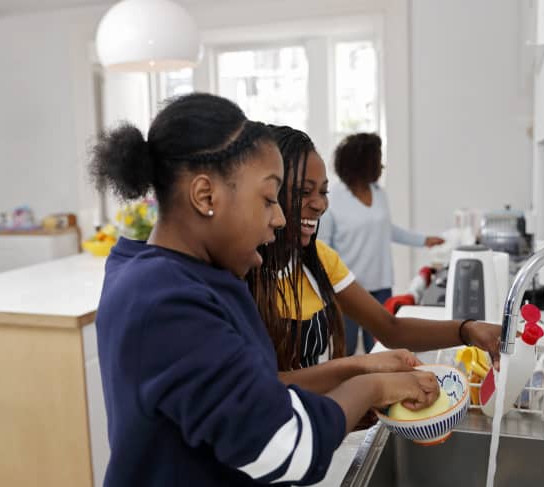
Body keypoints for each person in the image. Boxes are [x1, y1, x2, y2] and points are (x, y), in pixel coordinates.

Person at [89, 93, 440, 487]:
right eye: (269, 199)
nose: (278, 218)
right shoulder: (162, 300)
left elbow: (257, 391)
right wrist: (372, 386)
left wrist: (357, 366)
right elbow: (286, 448)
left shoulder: (193, 279)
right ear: (206, 196)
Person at [247, 125, 501, 395]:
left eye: (323, 192)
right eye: (303, 193)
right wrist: (363, 373)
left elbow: (391, 329)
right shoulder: (240, 274)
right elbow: (264, 385)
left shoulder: (320, 259)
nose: (319, 204)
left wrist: (468, 330)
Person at [318, 132, 445, 355]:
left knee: (381, 347)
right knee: (345, 349)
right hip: (347, 288)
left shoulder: (379, 194)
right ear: (363, 163)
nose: (382, 166)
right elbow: (323, 247)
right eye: (378, 159)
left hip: (381, 285)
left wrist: (423, 241)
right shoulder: (334, 198)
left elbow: (387, 230)